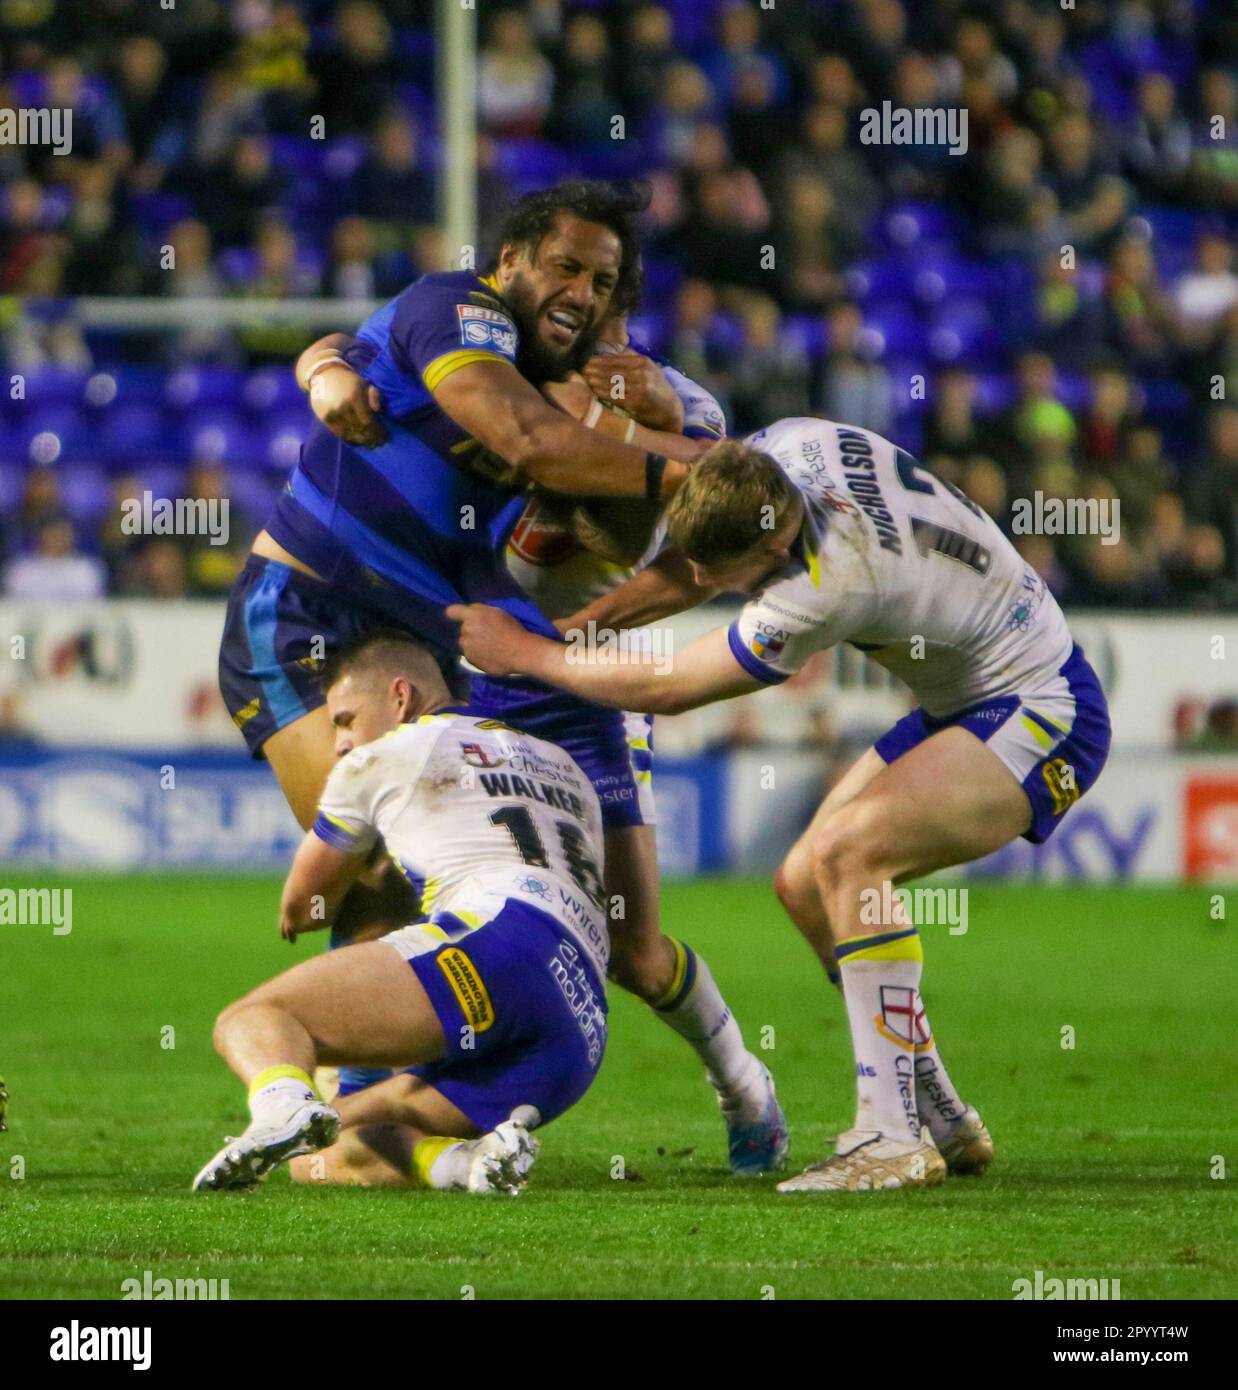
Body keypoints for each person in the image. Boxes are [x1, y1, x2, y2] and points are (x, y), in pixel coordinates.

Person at [219, 181, 786, 1173]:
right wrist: (700, 467)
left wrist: (668, 450)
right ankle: (366, 1129)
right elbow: (510, 431)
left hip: (516, 661)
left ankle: (380, 1130)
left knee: (612, 940)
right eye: (563, 265)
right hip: (332, 619)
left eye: (600, 282)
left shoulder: (632, 391)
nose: (578, 290)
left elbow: (608, 514)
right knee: (374, 873)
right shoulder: (464, 319)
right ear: (512, 259)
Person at [451, 416, 1113, 1193]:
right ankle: (940, 1115)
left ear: (770, 550)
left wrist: (530, 656)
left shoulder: (828, 582)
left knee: (849, 857)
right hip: (968, 700)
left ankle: (889, 1136)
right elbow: (688, 565)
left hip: (1042, 707)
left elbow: (672, 686)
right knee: (805, 883)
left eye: (719, 576)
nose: (702, 586)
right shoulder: (785, 450)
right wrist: (571, 632)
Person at [194, 634, 609, 1195]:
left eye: (345, 719)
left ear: (399, 696)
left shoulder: (380, 758)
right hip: (579, 1023)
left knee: (253, 1021)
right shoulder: (564, 767)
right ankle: (471, 1166)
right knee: (320, 1151)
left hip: (500, 941)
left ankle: (282, 1105)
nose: (339, 744)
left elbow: (305, 907)